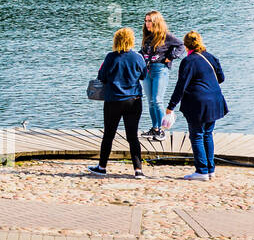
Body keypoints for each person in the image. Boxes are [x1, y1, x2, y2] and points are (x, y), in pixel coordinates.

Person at [166, 31, 228, 181]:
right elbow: (221, 78)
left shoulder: (189, 61)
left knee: (197, 135)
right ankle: (210, 169)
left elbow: (181, 86)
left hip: (198, 103)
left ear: (186, 45)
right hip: (215, 101)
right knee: (207, 134)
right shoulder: (211, 57)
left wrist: (170, 107)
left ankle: (201, 171)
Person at [89, 28, 149, 177]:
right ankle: (138, 169)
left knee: (109, 134)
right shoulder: (138, 57)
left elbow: (101, 77)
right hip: (133, 100)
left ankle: (102, 167)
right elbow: (143, 76)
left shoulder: (110, 57)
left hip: (114, 100)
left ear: (116, 41)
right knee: (132, 136)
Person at [140, 10, 184, 141]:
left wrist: (171, 57)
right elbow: (143, 52)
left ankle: (162, 131)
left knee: (157, 100)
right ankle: (155, 128)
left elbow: (181, 45)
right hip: (147, 70)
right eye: (146, 21)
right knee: (150, 101)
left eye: (150, 21)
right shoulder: (147, 36)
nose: (147, 24)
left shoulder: (166, 36)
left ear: (156, 22)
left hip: (160, 69)